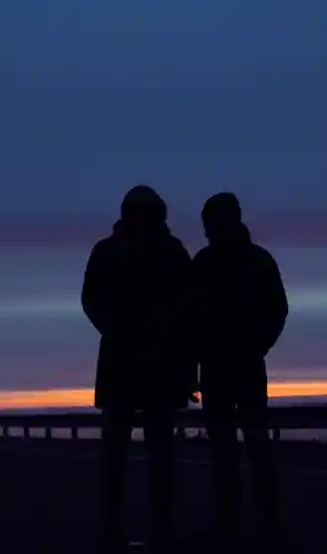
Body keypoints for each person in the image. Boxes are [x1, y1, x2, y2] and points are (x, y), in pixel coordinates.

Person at [82, 185, 195, 554]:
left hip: (154, 364)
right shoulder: (113, 251)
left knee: (151, 451)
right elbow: (91, 300)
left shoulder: (169, 252)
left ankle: (147, 524)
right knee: (129, 451)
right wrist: (113, 327)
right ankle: (120, 524)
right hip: (130, 362)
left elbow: (188, 304)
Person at [191, 192, 287, 548]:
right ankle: (244, 523)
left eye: (208, 222)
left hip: (236, 366)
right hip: (225, 367)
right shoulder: (240, 261)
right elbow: (190, 319)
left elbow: (277, 310)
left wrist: (256, 345)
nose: (206, 231)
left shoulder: (249, 261)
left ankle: (255, 523)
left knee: (245, 447)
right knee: (234, 449)